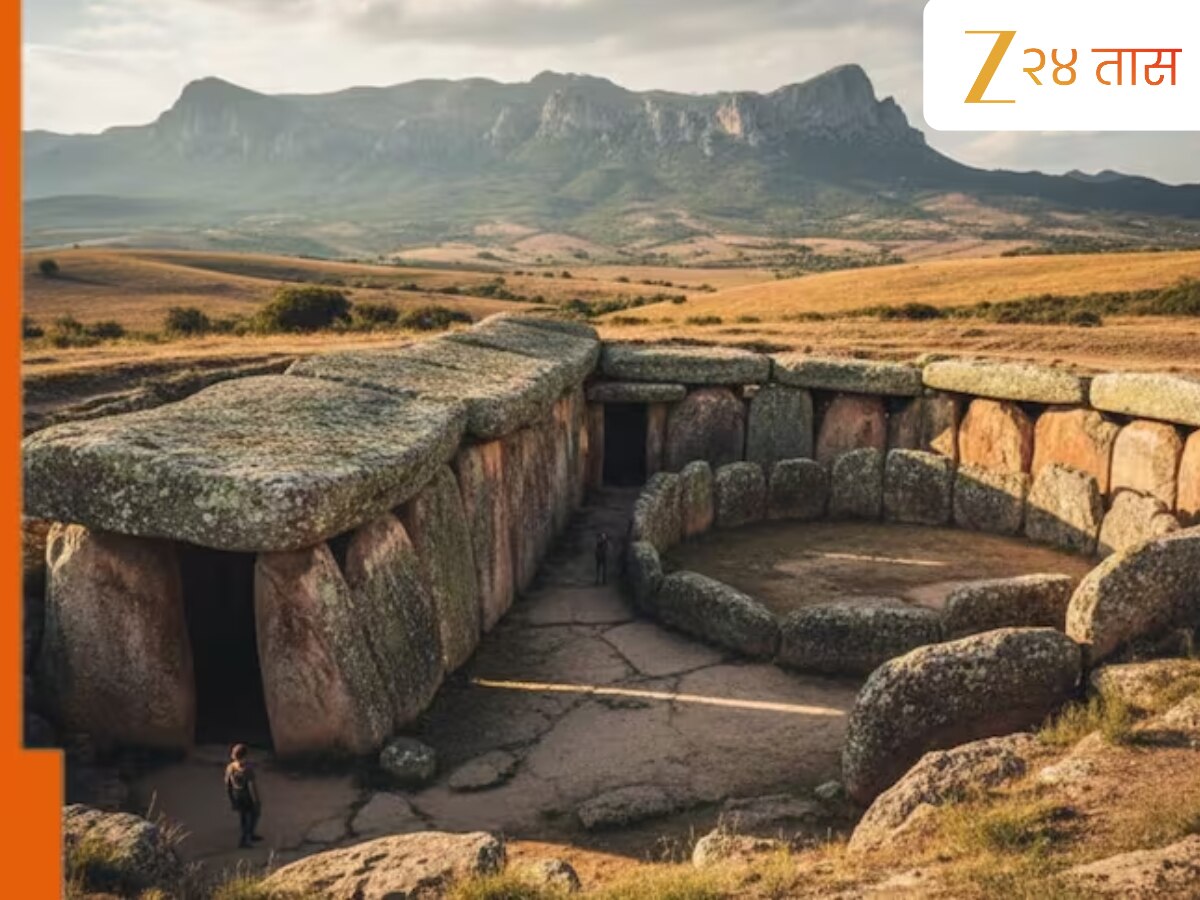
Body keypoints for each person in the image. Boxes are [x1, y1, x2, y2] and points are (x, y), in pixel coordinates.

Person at [224, 743, 262, 848]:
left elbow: (228, 785)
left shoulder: (230, 767)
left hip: (237, 795)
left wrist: (232, 800)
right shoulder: (248, 770)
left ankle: (249, 836)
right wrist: (256, 801)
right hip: (247, 797)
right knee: (253, 816)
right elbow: (251, 787)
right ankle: (245, 839)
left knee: (243, 818)